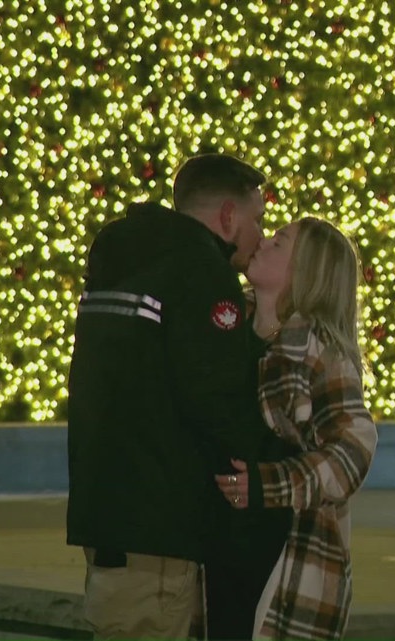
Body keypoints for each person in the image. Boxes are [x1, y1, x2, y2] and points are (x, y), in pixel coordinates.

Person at [65, 153, 296, 639]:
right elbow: (216, 397)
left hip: (111, 515)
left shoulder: (124, 256)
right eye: (257, 220)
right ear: (228, 215)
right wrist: (278, 464)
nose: (259, 237)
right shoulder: (199, 270)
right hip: (160, 526)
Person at [213, 217, 379, 640]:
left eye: (279, 241)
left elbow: (352, 451)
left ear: (306, 269)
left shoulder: (319, 350)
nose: (263, 241)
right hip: (214, 554)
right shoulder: (225, 325)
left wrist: (269, 484)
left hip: (283, 561)